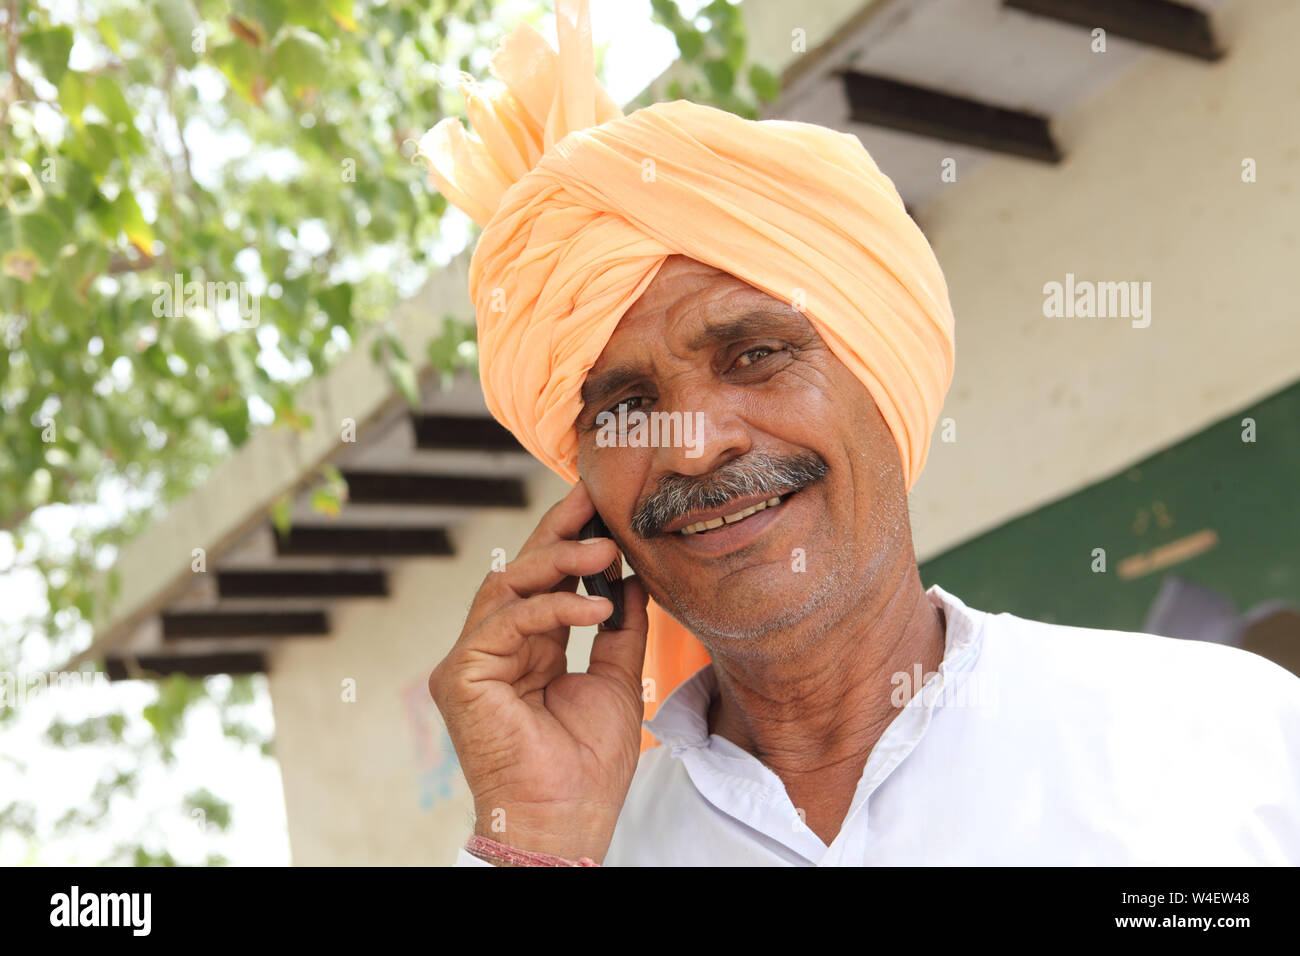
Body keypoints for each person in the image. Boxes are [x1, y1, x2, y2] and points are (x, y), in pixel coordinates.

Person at [420, 0, 1300, 866]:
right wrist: (536, 839)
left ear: (886, 373)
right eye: (622, 410)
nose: (693, 446)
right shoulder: (571, 843)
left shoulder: (1225, 742)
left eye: (756, 355)